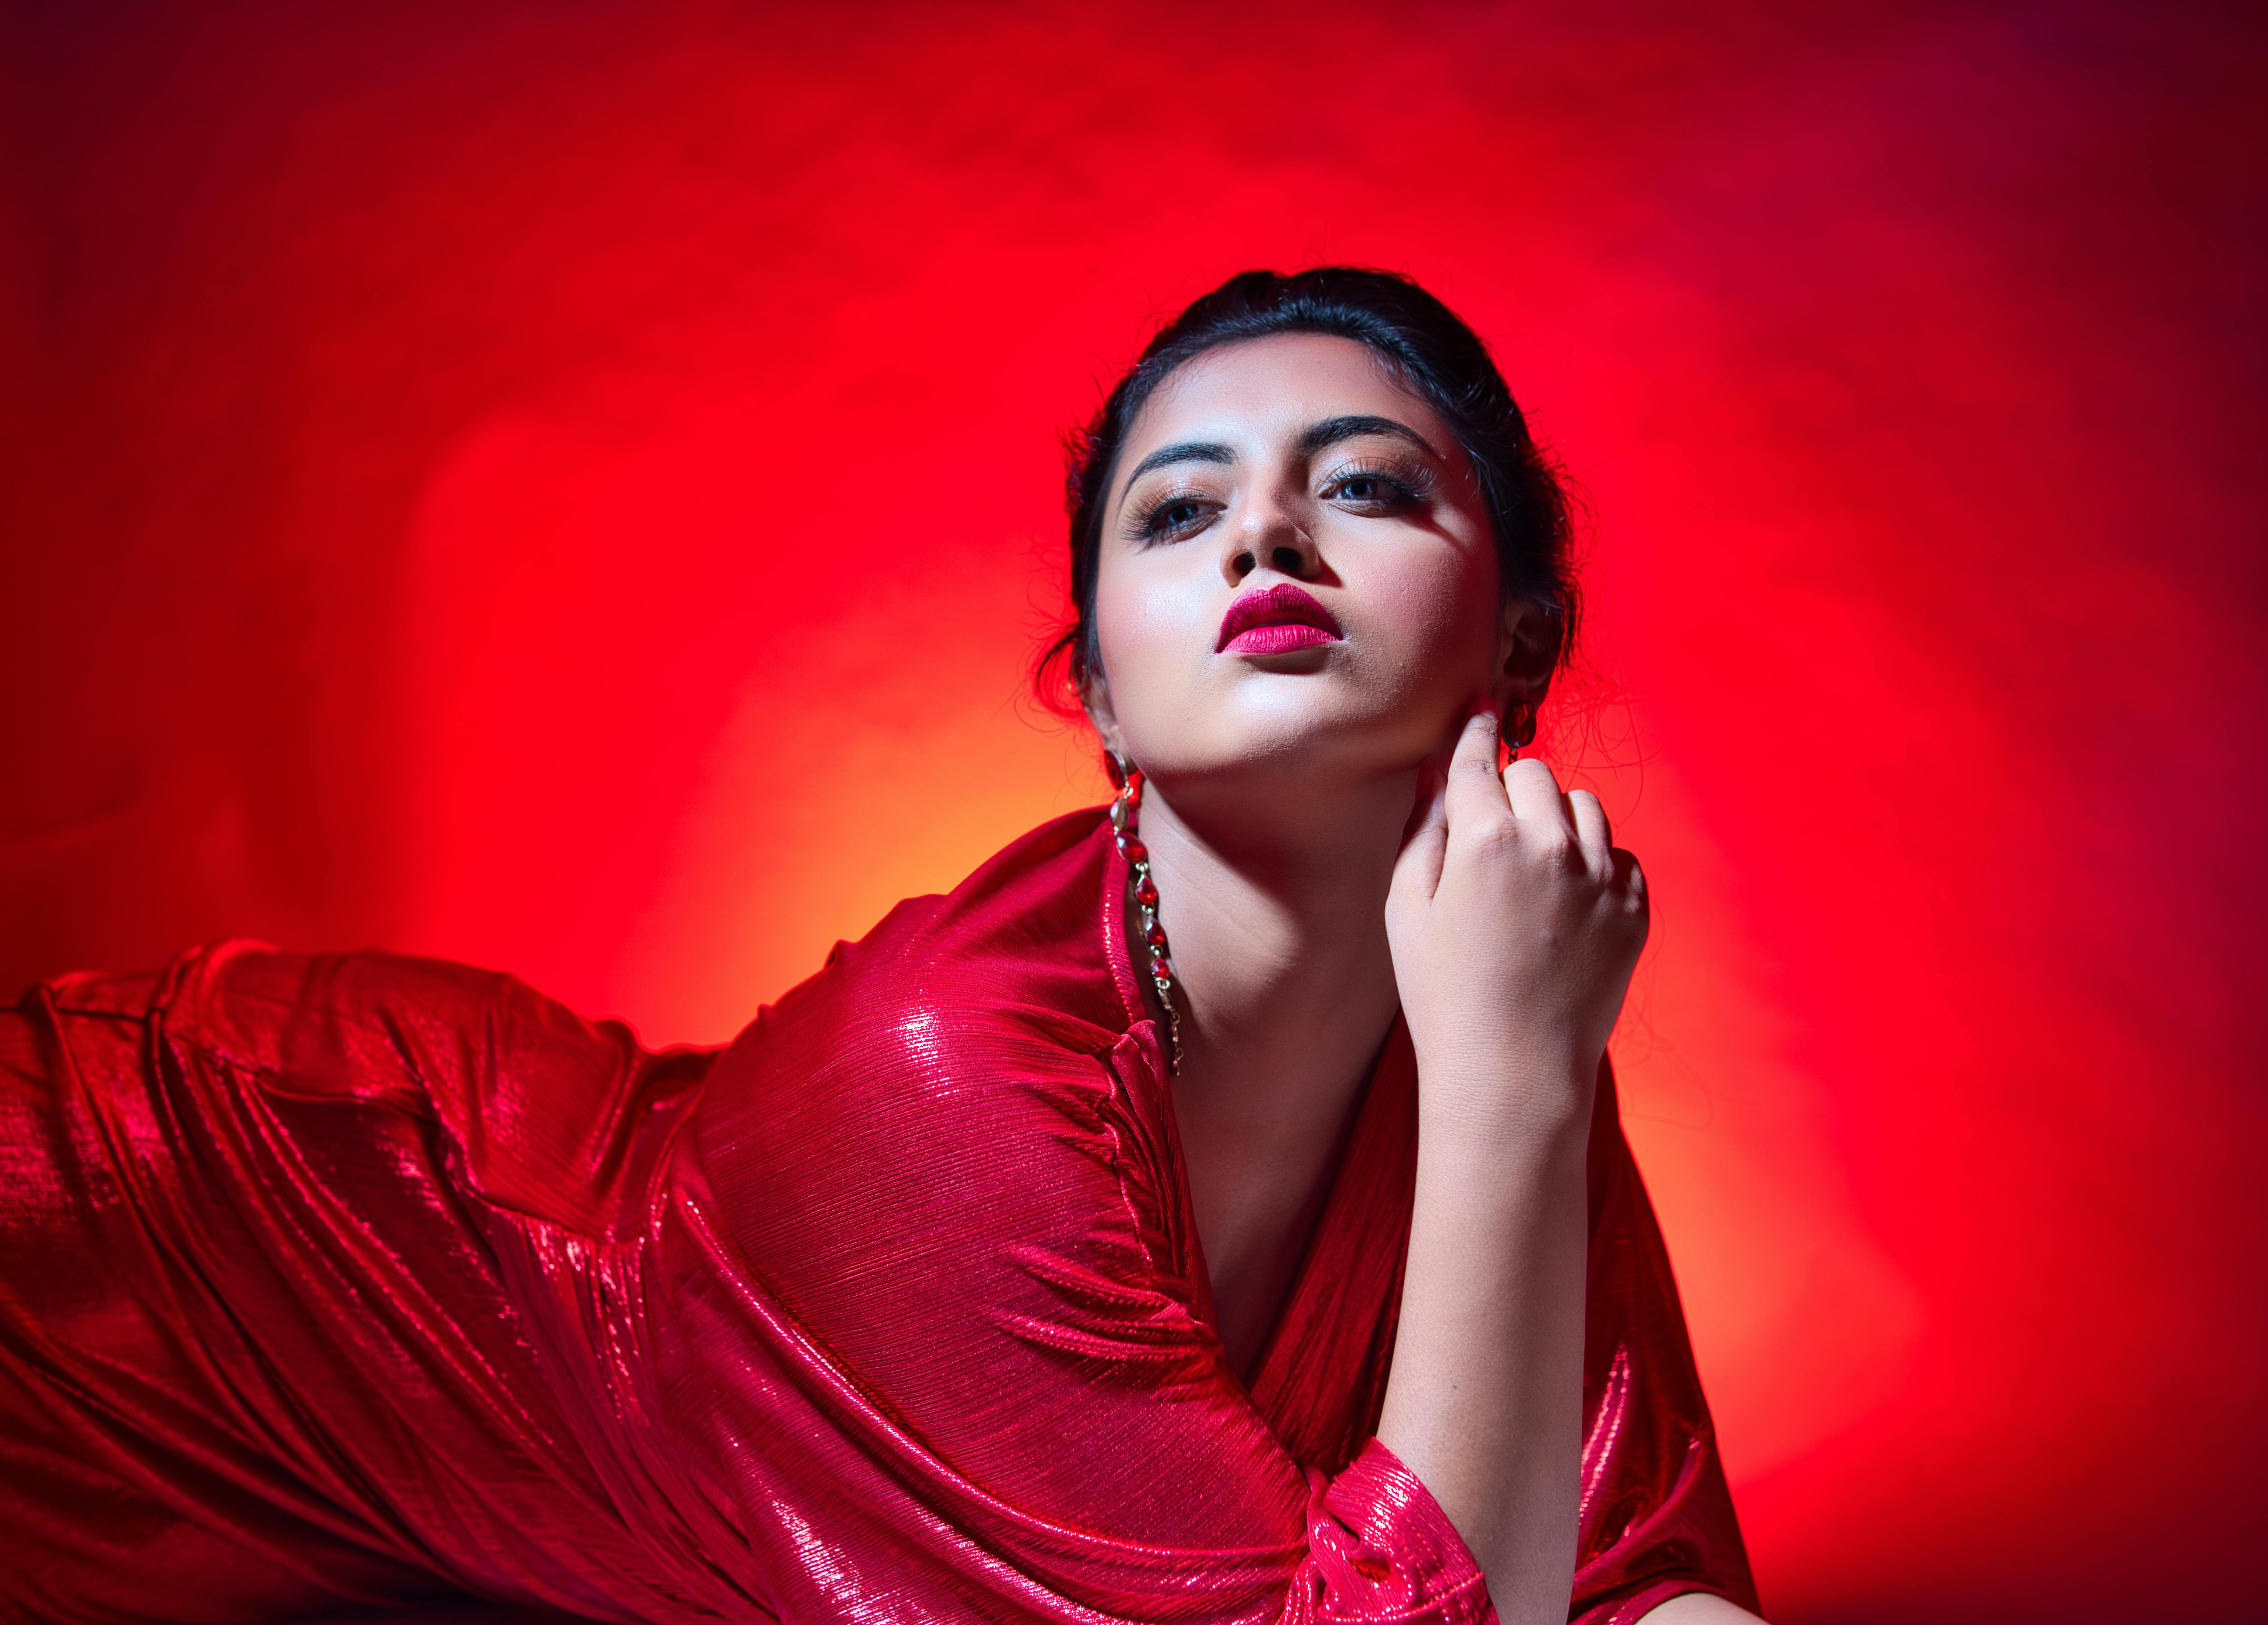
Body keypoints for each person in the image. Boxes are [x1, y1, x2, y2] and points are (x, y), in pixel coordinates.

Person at [0, 268, 1762, 1625]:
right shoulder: (946, 1079)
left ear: (1517, 641)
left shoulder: (1482, 984)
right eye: (1174, 508)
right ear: (1105, 691)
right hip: (114, 1280)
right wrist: (1511, 1080)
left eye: (1366, 486)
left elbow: (1600, 1565)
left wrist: (1506, 1067)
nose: (1262, 534)